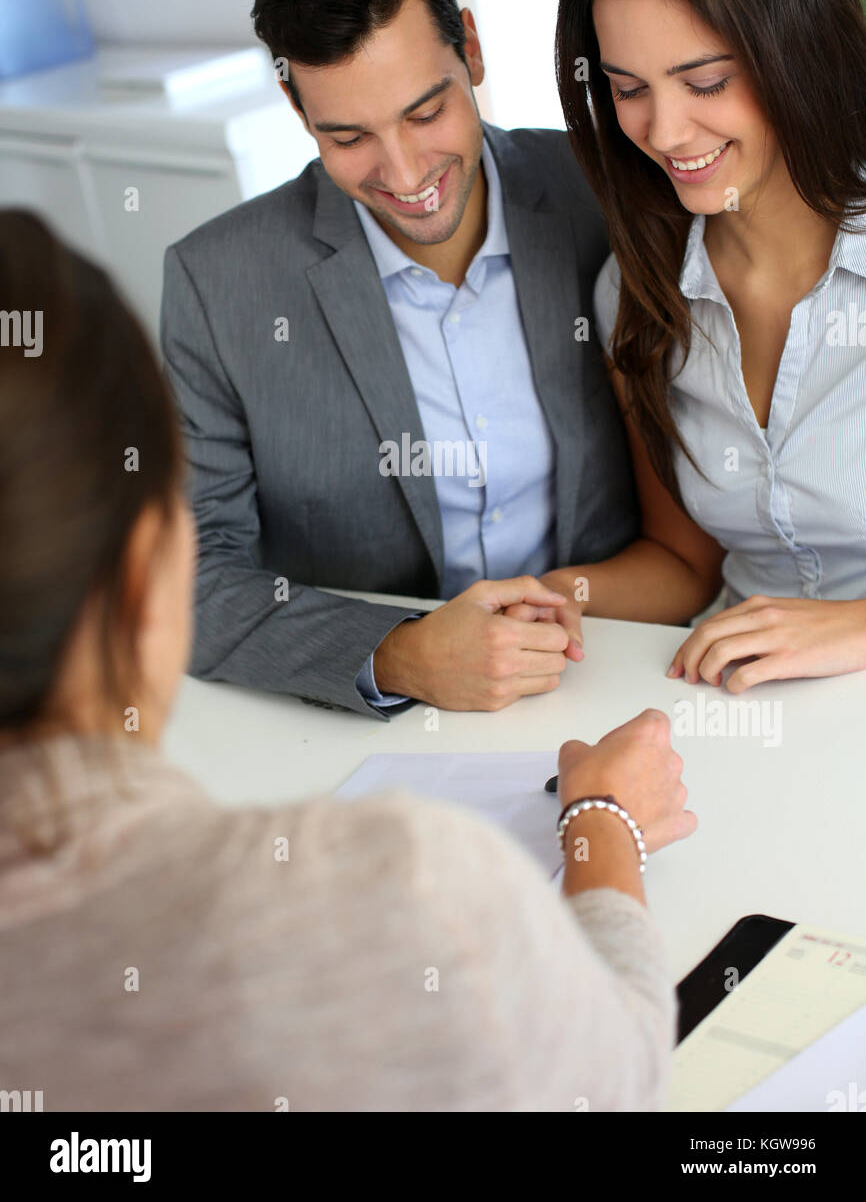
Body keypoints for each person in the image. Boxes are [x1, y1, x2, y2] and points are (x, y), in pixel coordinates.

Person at [0, 210, 696, 1111]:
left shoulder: (578, 195)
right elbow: (611, 1079)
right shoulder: (396, 891)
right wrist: (606, 823)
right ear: (145, 574)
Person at [160, 0, 639, 721]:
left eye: (426, 113)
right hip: (359, 725)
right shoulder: (217, 282)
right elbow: (191, 580)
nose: (406, 171)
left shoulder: (606, 198)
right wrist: (398, 653)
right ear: (292, 100)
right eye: (349, 137)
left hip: (612, 673)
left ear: (473, 52)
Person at [519, 0, 866, 694]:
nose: (666, 132)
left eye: (704, 80)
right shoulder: (635, 294)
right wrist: (561, 597)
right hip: (731, 709)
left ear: (800, 47)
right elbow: (683, 562)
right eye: (627, 88)